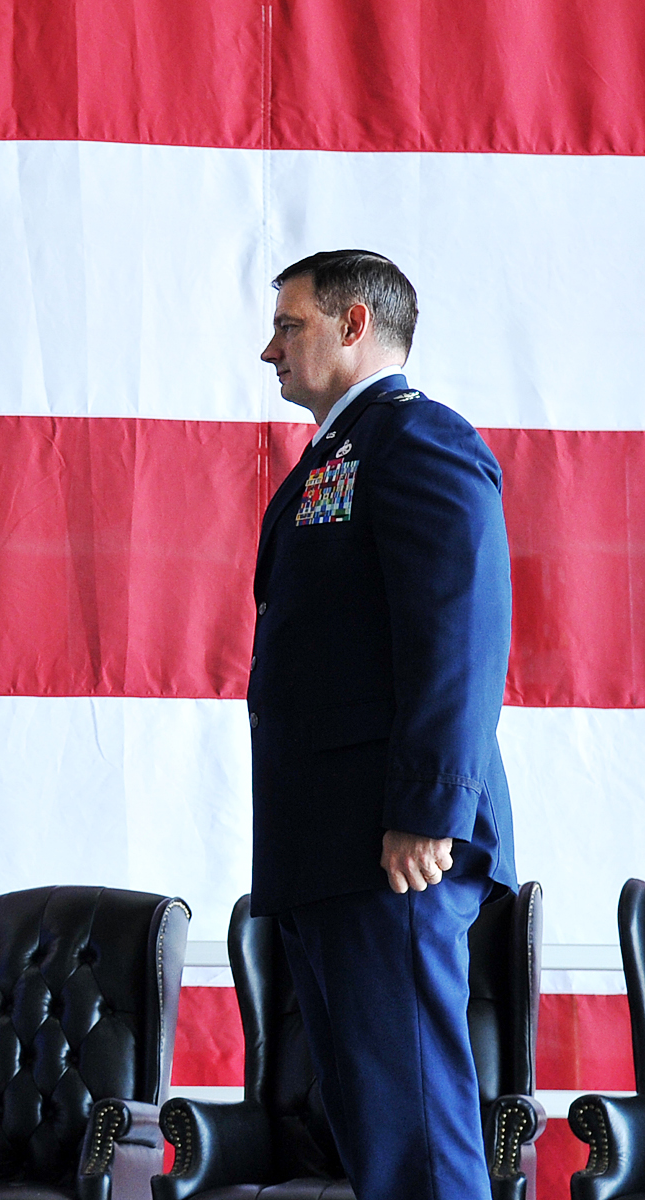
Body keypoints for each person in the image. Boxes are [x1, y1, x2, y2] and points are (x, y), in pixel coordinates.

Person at [250, 250, 517, 1199]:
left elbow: (460, 632)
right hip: (332, 848)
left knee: (417, 1138)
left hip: (394, 848)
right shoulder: (340, 454)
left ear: (354, 324)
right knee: (375, 1134)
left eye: (289, 326)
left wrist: (428, 810)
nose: (270, 350)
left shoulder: (418, 441)